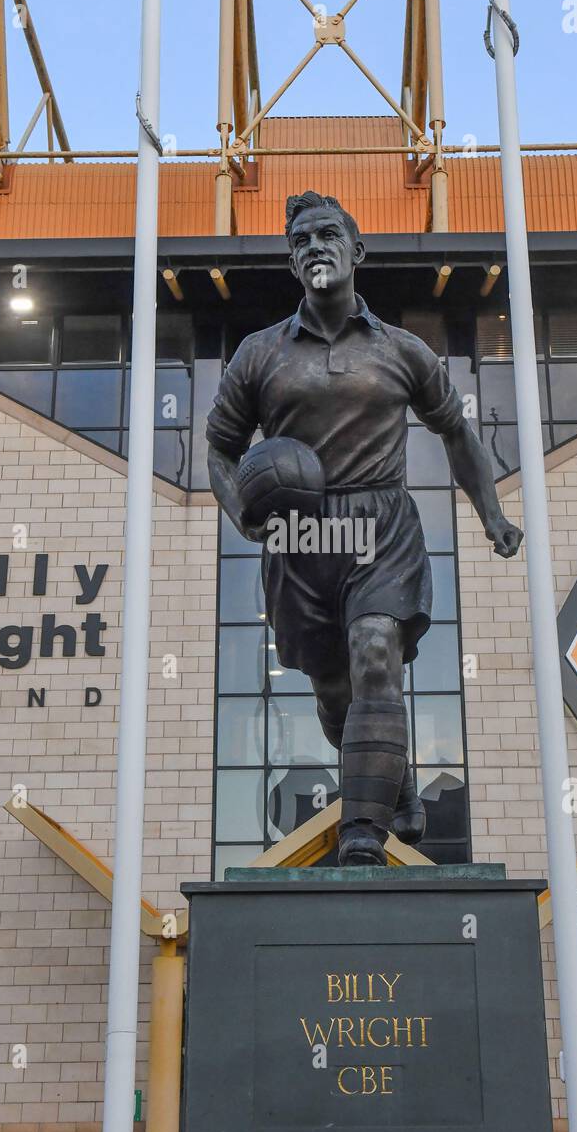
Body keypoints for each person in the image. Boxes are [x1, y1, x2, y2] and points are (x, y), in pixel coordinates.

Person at [207, 192, 523, 866]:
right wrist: (241, 512)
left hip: (381, 525)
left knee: (375, 652)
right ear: (293, 261)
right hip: (302, 537)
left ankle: (361, 834)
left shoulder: (402, 350)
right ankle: (394, 779)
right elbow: (220, 448)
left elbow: (458, 433)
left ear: (357, 252)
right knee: (333, 689)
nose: (313, 246)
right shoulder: (259, 354)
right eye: (299, 241)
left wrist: (491, 514)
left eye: (326, 235)